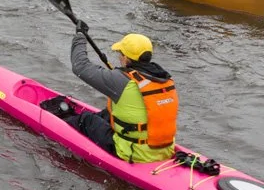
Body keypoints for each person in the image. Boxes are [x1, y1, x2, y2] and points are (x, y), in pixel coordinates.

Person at [54, 28, 178, 164]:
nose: (119, 57)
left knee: (86, 119)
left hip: (135, 153)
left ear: (125, 57)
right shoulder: (164, 79)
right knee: (108, 113)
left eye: (120, 53)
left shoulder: (121, 81)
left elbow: (80, 67)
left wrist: (80, 36)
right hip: (166, 150)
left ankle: (56, 125)